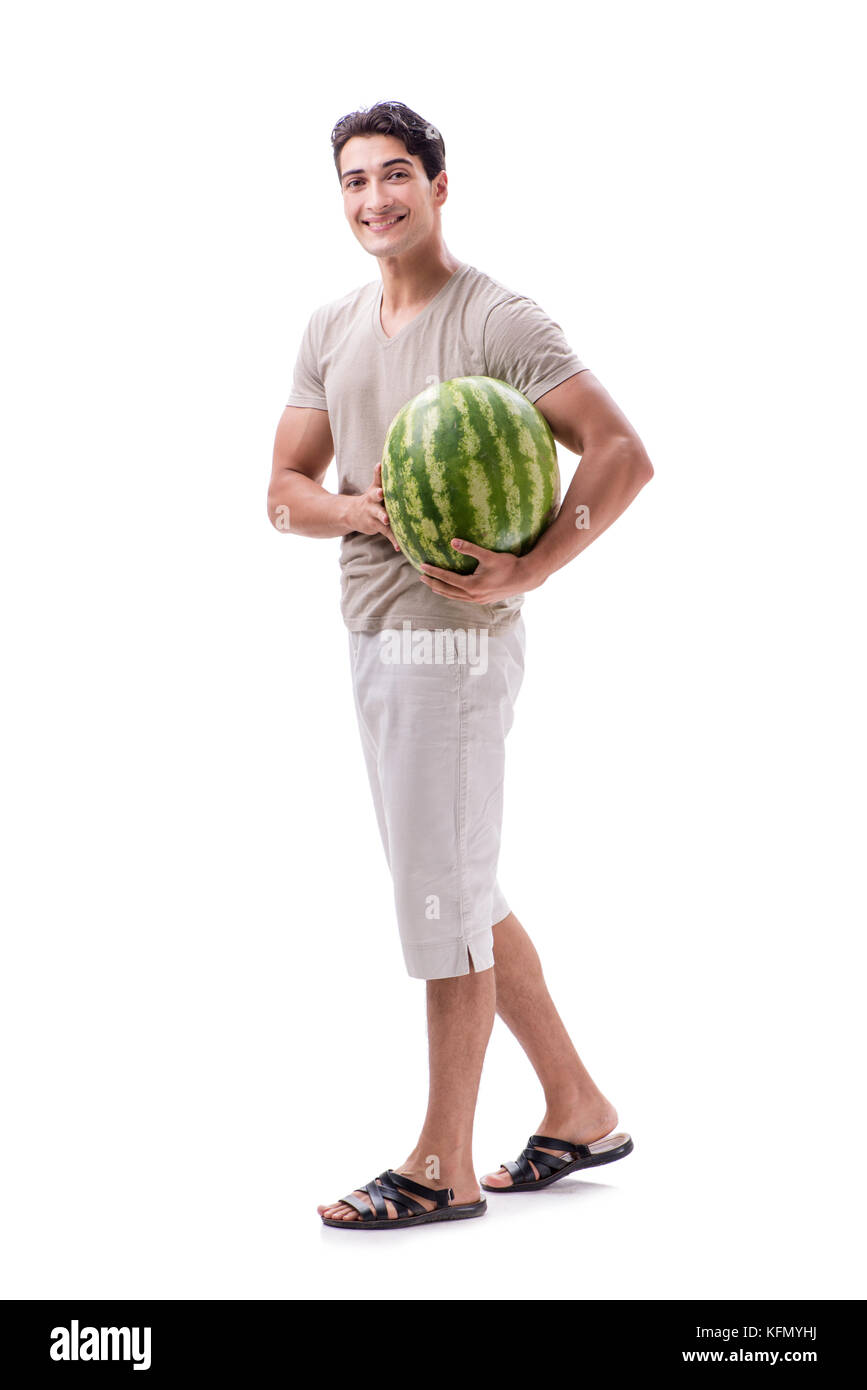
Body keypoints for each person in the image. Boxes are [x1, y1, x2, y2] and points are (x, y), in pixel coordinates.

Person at [267, 100, 654, 1230]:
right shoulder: (331, 327)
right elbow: (281, 492)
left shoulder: (498, 319)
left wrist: (525, 570)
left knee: (441, 905)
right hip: (373, 634)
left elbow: (623, 450)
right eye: (353, 182)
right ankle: (579, 1106)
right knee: (462, 889)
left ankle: (443, 1160)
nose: (375, 199)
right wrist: (358, 509)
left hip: (457, 647)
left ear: (441, 184)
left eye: (396, 175)